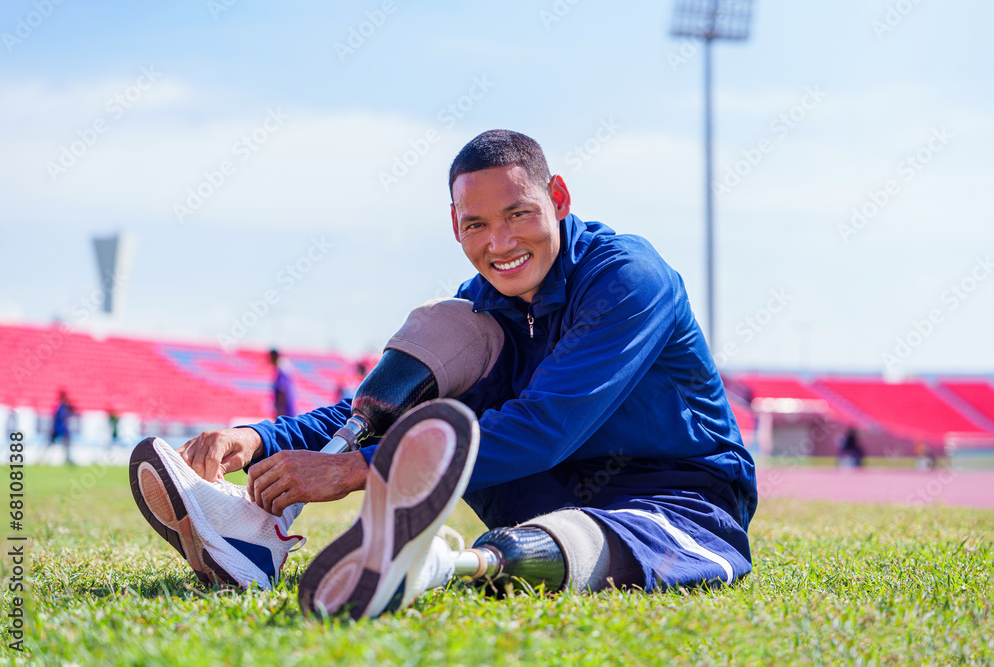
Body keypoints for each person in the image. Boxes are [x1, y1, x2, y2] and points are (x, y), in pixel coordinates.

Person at [130, 130, 756, 619]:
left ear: (559, 199)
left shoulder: (628, 278)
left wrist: (359, 471)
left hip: (676, 496)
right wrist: (263, 440)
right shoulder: (482, 302)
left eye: (519, 213)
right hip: (545, 486)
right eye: (476, 224)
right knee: (447, 329)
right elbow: (377, 412)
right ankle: (260, 536)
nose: (500, 242)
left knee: (565, 542)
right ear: (455, 225)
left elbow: (545, 428)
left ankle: (438, 568)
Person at [269, 349, 297, 418]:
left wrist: (280, 410)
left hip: (284, 409)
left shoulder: (280, 368)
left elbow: (282, 389)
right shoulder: (283, 366)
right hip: (288, 407)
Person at [50, 390, 75, 465]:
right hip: (59, 429)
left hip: (60, 429)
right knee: (50, 444)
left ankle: (68, 459)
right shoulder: (61, 406)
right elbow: (61, 417)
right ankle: (41, 459)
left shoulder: (62, 406)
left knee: (66, 445)